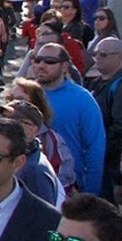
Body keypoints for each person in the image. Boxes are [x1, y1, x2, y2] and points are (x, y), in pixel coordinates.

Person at [34, 43, 107, 196]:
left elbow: (95, 149)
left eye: (49, 61)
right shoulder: (27, 95)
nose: (41, 65)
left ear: (65, 66)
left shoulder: (83, 99)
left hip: (67, 186)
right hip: (29, 184)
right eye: (38, 60)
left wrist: (90, 194)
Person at [86, 37, 122, 200]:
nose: (98, 58)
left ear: (120, 56)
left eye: (103, 54)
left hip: (109, 162)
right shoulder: (96, 82)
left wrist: (98, 149)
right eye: (96, 53)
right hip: (94, 157)